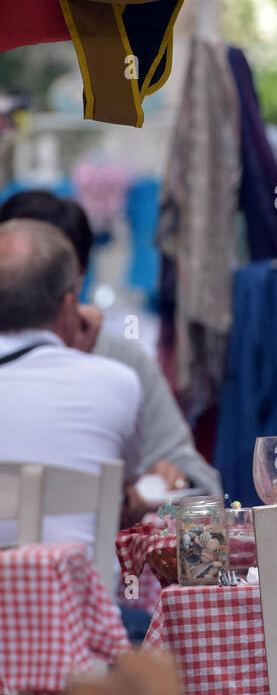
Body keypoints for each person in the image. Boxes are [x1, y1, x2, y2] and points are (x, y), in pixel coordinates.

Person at [0, 190, 223, 507]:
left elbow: (200, 482)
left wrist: (177, 476)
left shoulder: (123, 361)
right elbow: (127, 494)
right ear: (69, 296)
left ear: (78, 279)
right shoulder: (116, 379)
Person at [0, 218, 141, 553]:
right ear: (68, 306)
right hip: (72, 603)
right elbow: (129, 483)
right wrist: (77, 356)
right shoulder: (116, 382)